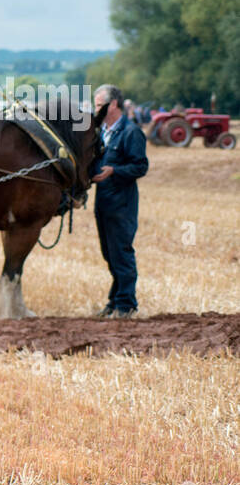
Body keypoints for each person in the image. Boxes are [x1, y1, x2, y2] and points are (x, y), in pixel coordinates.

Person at [91, 83, 149, 318]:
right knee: (109, 254)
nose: (96, 110)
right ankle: (115, 300)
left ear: (112, 104)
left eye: (98, 105)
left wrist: (114, 171)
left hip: (122, 203)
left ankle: (126, 305)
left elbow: (140, 166)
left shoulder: (130, 132)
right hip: (103, 201)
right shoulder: (101, 132)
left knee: (121, 253)